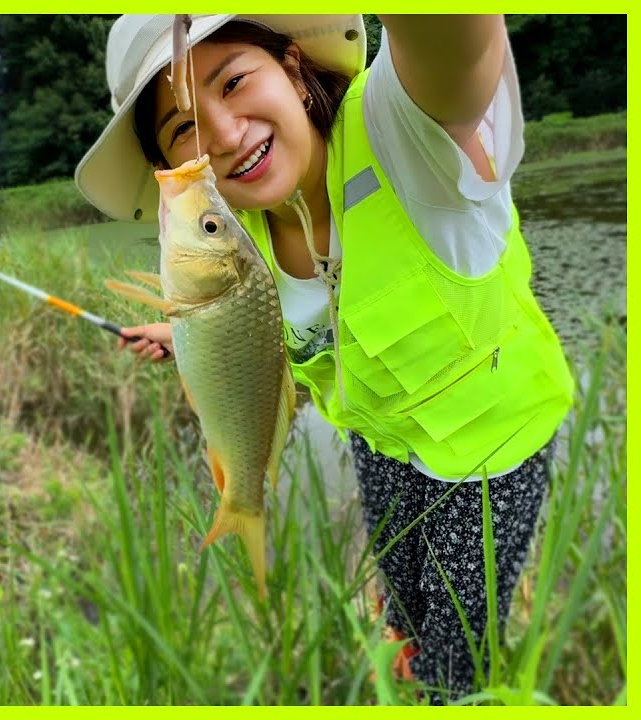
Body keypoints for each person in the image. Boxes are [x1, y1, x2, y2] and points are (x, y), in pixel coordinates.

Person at [77, 14, 574, 701]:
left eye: (235, 80)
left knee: (457, 664)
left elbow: (457, 46)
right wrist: (186, 337)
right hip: (382, 445)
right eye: (183, 128)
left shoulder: (405, 129)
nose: (222, 134)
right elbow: (282, 330)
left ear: (291, 64)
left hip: (494, 457)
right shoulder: (239, 234)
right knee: (400, 613)